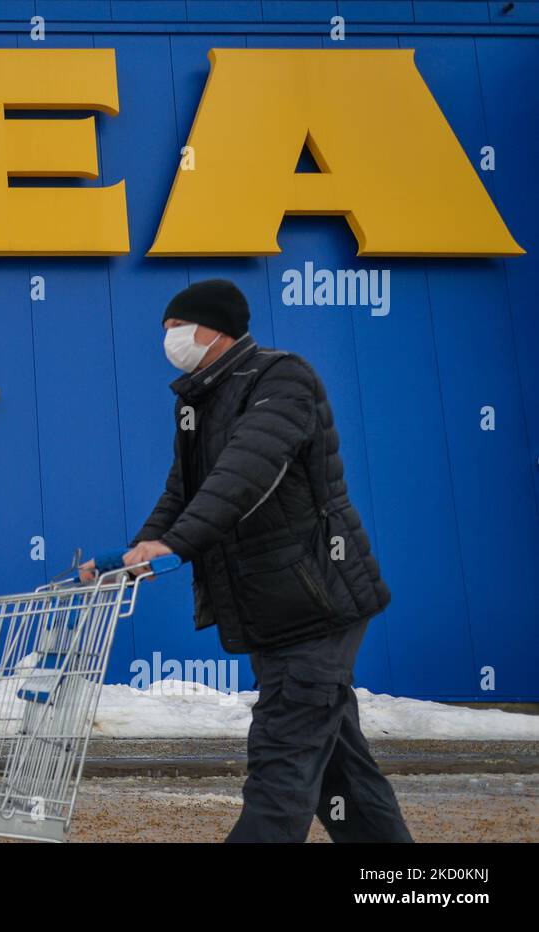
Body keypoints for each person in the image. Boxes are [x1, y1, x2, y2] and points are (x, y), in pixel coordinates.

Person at [78, 278, 413, 843]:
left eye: (175, 328)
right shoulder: (197, 400)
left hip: (317, 599)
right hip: (274, 606)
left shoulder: (281, 379)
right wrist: (136, 552)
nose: (170, 339)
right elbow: (184, 494)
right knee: (339, 774)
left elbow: (247, 472)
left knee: (281, 765)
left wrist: (177, 544)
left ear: (212, 328)